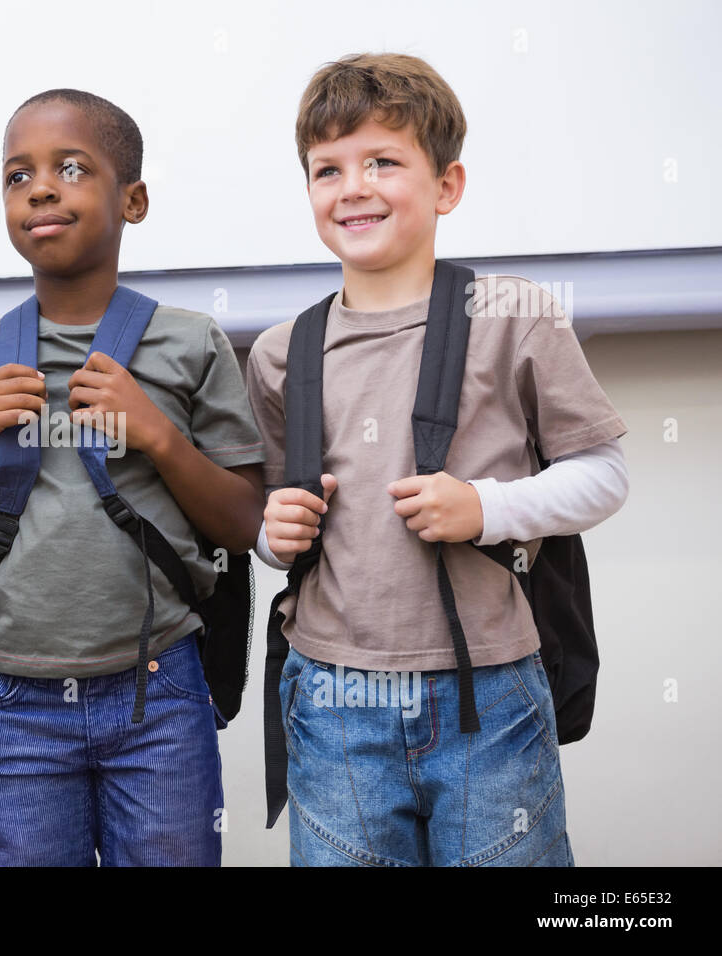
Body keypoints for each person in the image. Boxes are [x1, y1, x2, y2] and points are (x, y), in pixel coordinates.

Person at [245, 53, 630, 866]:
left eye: (383, 161)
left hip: (488, 694)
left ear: (447, 187)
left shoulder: (514, 315)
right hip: (332, 697)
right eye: (328, 169)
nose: (353, 186)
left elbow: (604, 473)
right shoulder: (283, 353)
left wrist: (486, 508)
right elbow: (278, 516)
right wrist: (268, 532)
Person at [0, 89, 265, 866]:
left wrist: (157, 435)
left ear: (133, 199)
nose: (39, 188)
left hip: (160, 695)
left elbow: (244, 524)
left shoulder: (192, 342)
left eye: (70, 168)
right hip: (11, 703)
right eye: (17, 176)